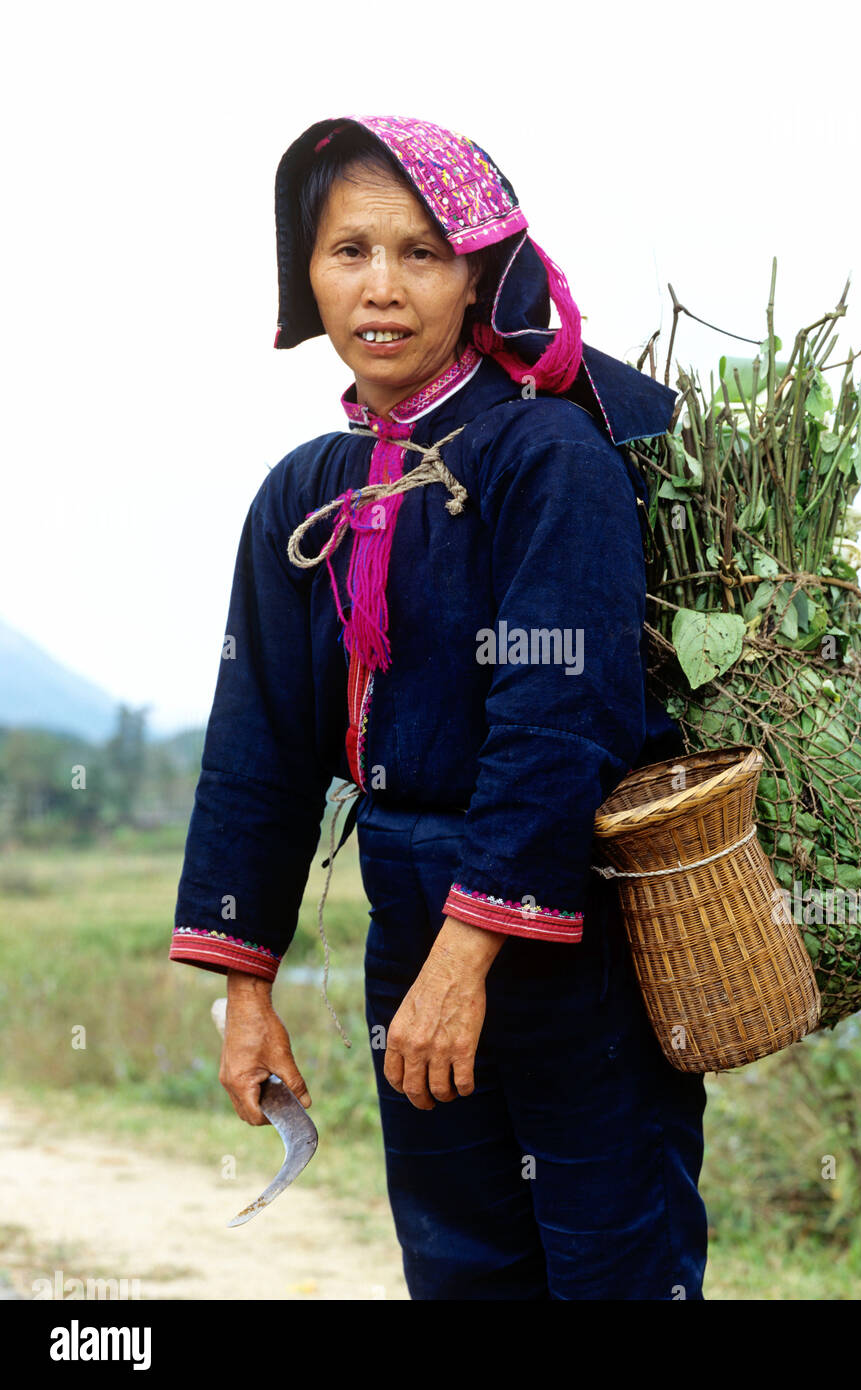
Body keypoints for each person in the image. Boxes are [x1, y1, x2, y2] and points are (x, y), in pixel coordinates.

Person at [171, 113, 709, 1300]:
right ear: (305, 275)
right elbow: (257, 747)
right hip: (406, 913)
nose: (383, 285)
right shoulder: (304, 493)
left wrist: (469, 960)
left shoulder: (549, 459)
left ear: (479, 276)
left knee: (613, 1258)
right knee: (460, 1265)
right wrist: (245, 992)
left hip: (566, 929)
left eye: (423, 252)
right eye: (349, 250)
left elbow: (558, 725)